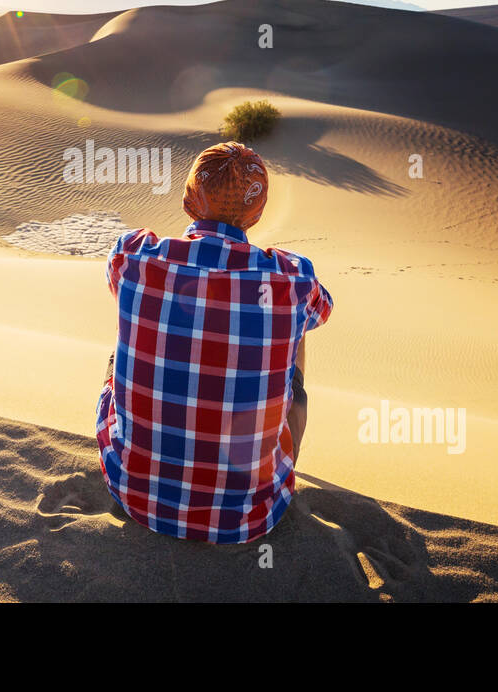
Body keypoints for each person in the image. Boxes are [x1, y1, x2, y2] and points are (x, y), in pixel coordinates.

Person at [95, 142, 333, 544]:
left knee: (122, 348)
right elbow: (320, 311)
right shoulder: (292, 279)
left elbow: (118, 280)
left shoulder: (133, 254)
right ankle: (279, 454)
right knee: (297, 327)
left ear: (190, 198)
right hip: (250, 516)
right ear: (257, 213)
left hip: (135, 496)